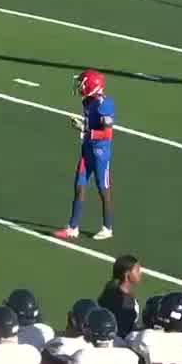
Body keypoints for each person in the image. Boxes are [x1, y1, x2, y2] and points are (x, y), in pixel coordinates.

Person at [56, 69, 117, 241]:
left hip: (100, 152)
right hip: (87, 149)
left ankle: (107, 227)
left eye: (83, 83)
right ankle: (73, 227)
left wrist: (85, 130)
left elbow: (107, 133)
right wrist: (84, 125)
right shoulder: (88, 101)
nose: (80, 86)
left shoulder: (104, 104)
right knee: (79, 185)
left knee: (103, 188)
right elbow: (91, 125)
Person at [98, 255, 143, 335]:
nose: (140, 273)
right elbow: (125, 330)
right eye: (137, 270)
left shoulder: (110, 287)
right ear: (127, 274)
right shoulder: (126, 302)